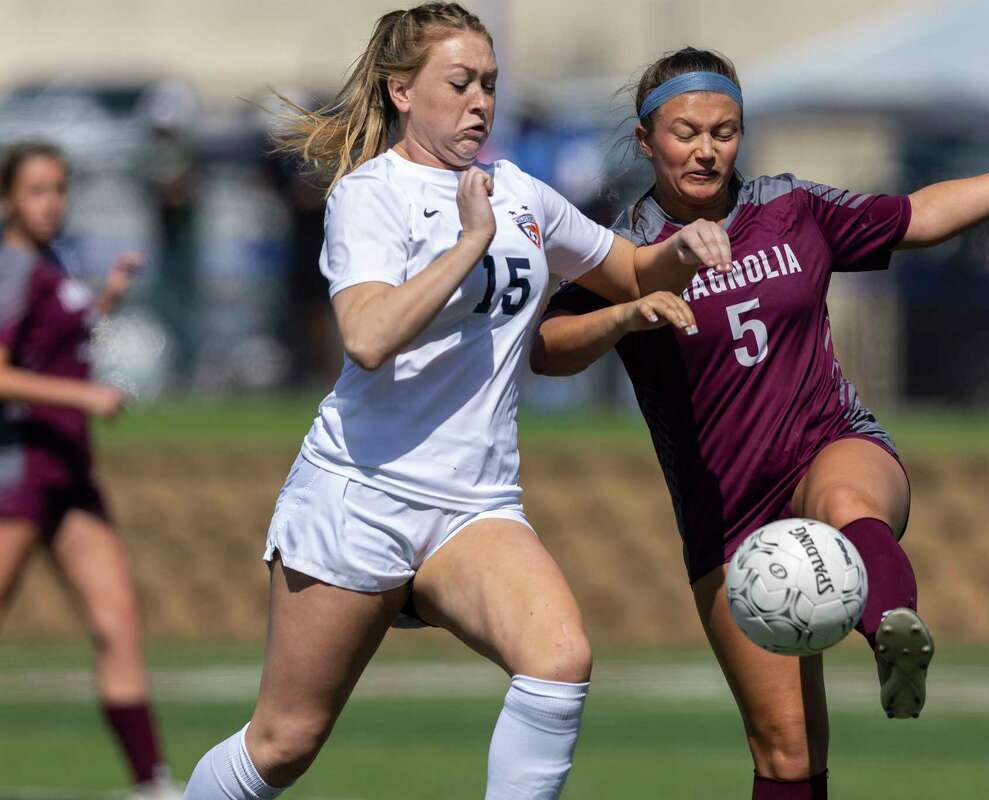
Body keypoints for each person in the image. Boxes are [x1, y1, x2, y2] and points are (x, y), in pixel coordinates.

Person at [531, 47, 989, 799]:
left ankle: (892, 628)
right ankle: (881, 625)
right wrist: (627, 312)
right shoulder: (621, 252)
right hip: (727, 516)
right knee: (786, 753)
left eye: (724, 132)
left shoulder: (791, 208)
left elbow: (920, 216)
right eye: (686, 133)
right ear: (646, 141)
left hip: (829, 442)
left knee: (846, 502)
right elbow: (546, 348)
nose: (707, 149)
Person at [181, 6, 730, 800]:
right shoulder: (372, 195)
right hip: (361, 496)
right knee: (284, 743)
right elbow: (367, 337)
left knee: (559, 660)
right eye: (461, 83)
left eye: (490, 85)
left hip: (475, 505)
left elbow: (634, 271)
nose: (480, 102)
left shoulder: (521, 194)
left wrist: (683, 248)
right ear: (402, 91)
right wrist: (469, 243)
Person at [0, 141, 174, 798]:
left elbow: (51, 344)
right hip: (19, 470)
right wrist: (86, 396)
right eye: (36, 190)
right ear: (8, 199)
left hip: (69, 472)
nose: (51, 203)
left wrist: (105, 301)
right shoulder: (12, 269)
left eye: (59, 189)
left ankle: (152, 784)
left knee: (116, 622)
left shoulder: (53, 263)